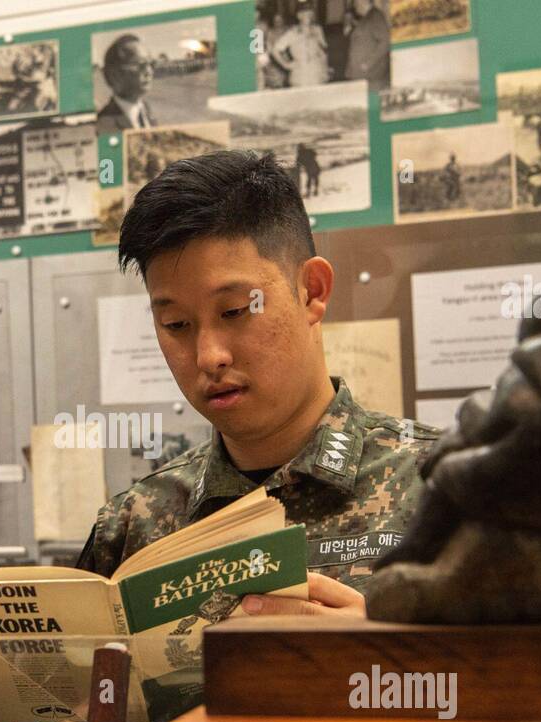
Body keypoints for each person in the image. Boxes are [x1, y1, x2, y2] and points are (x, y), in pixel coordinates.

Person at [77, 149, 438, 613]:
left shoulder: (441, 489)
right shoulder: (132, 525)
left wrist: (381, 654)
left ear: (313, 291)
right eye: (176, 325)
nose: (209, 356)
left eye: (234, 311)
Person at [97, 34, 157, 132]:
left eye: (151, 64)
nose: (149, 71)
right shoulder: (103, 126)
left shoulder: (146, 110)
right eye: (141, 65)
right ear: (114, 74)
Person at [270, 2, 330, 88]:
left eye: (310, 13)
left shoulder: (318, 30)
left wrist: (325, 70)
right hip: (300, 74)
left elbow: (323, 52)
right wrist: (286, 65)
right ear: (299, 16)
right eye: (304, 13)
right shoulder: (293, 33)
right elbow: (275, 50)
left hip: (316, 72)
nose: (308, 16)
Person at [343, 0, 391, 91]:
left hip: (371, 76)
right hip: (362, 75)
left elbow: (385, 42)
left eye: (356, 3)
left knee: (372, 102)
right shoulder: (366, 18)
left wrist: (368, 63)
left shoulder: (375, 16)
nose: (355, 6)